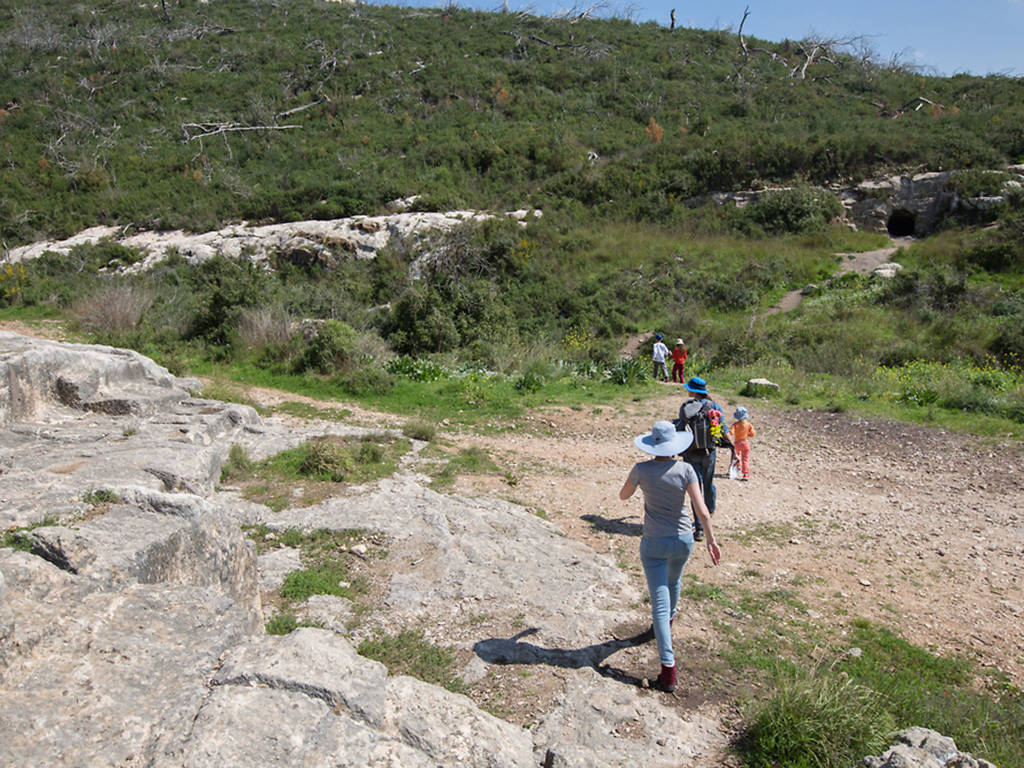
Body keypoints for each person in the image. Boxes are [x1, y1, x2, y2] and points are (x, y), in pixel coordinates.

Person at [619, 421, 721, 693]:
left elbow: (623, 496)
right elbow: (703, 511)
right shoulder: (686, 469)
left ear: (653, 444)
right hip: (683, 540)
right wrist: (711, 540)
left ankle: (668, 670)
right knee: (674, 582)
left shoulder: (641, 469)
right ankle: (669, 622)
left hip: (653, 542)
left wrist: (635, 483)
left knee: (659, 606)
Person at [676, 377, 733, 542]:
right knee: (708, 483)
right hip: (709, 452)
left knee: (695, 490)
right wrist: (733, 446)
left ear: (693, 391)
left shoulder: (686, 408)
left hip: (691, 452)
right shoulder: (714, 406)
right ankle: (710, 510)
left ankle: (699, 528)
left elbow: (681, 428)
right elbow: (723, 428)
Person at [728, 406, 755, 481]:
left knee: (736, 457)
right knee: (745, 459)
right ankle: (745, 474)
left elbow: (731, 433)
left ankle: (736, 469)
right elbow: (753, 434)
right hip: (745, 443)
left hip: (737, 443)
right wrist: (747, 435)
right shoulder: (749, 425)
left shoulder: (735, 425)